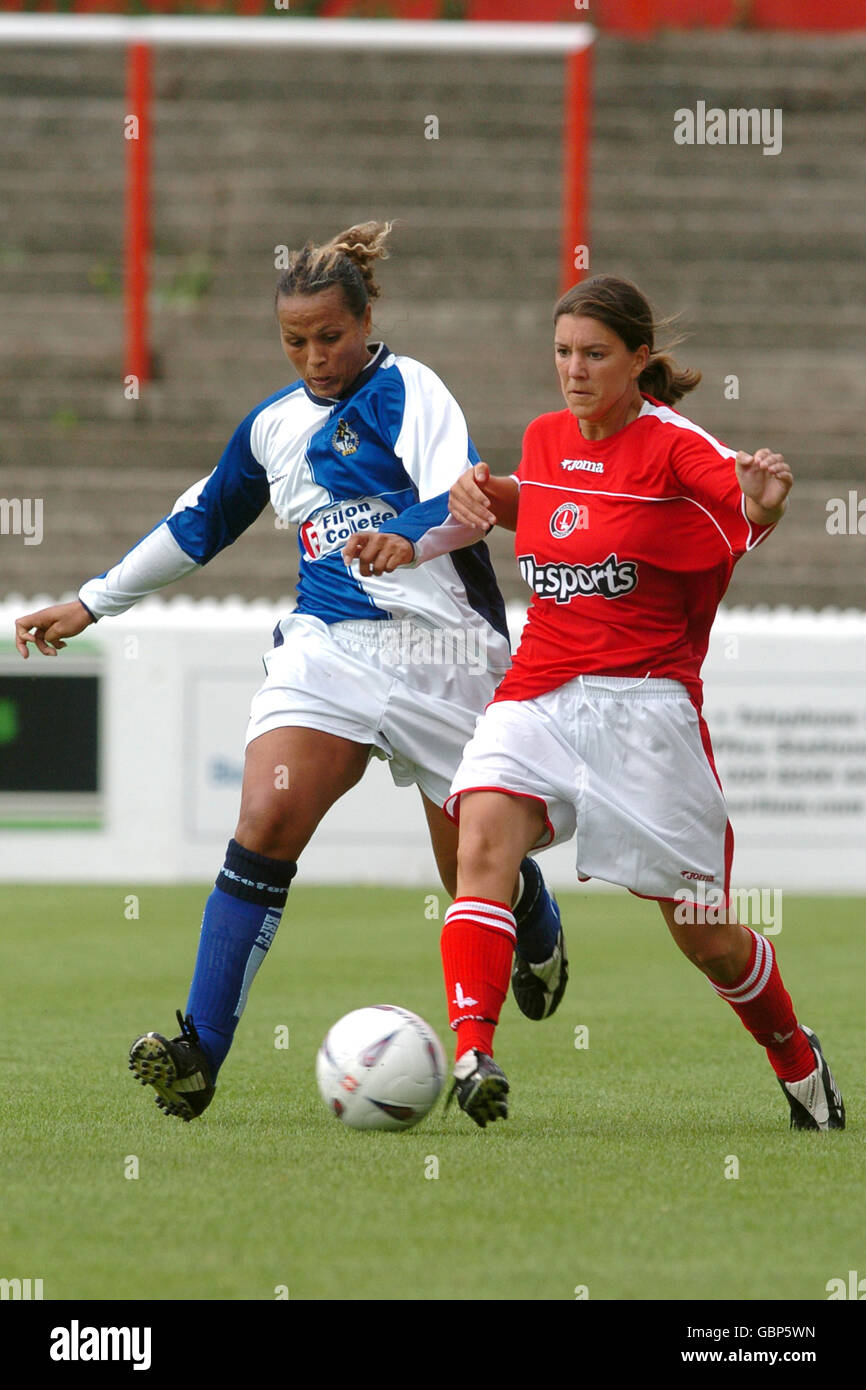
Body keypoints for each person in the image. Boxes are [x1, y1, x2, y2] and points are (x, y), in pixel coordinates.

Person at [13, 221, 566, 1123]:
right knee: (267, 817)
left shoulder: (409, 389)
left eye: (330, 337)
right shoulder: (271, 426)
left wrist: (405, 534)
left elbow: (466, 503)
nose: (315, 356)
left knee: (469, 867)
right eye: (295, 342)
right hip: (330, 650)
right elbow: (199, 523)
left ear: (366, 317)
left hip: (444, 655)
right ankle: (200, 1052)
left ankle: (535, 922)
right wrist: (90, 602)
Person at [435, 273, 845, 1131]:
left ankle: (796, 1059)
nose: (573, 370)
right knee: (481, 840)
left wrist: (761, 500)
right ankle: (474, 1053)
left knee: (709, 939)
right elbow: (549, 507)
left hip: (646, 711)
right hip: (537, 694)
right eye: (562, 353)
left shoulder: (671, 443)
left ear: (638, 362)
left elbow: (736, 492)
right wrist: (480, 498)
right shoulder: (546, 438)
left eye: (594, 355)